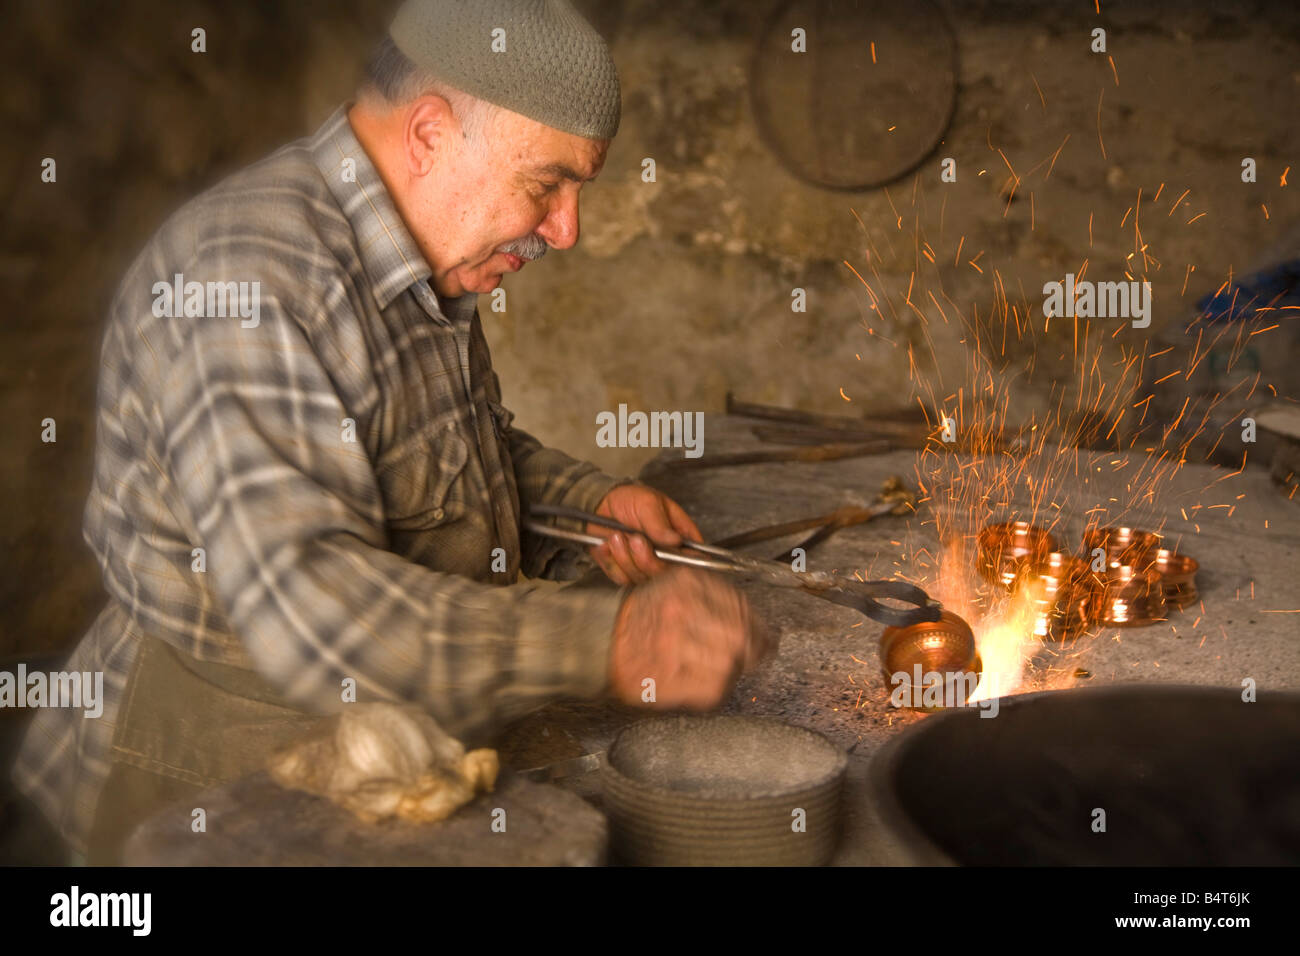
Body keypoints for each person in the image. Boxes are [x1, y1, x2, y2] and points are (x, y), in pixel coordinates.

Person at [12, 0, 766, 864]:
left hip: (381, 736)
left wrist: (592, 509)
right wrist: (612, 642)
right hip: (215, 762)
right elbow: (307, 607)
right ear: (431, 135)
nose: (567, 230)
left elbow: (461, 455)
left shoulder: (424, 261)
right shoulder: (246, 278)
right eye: (546, 185)